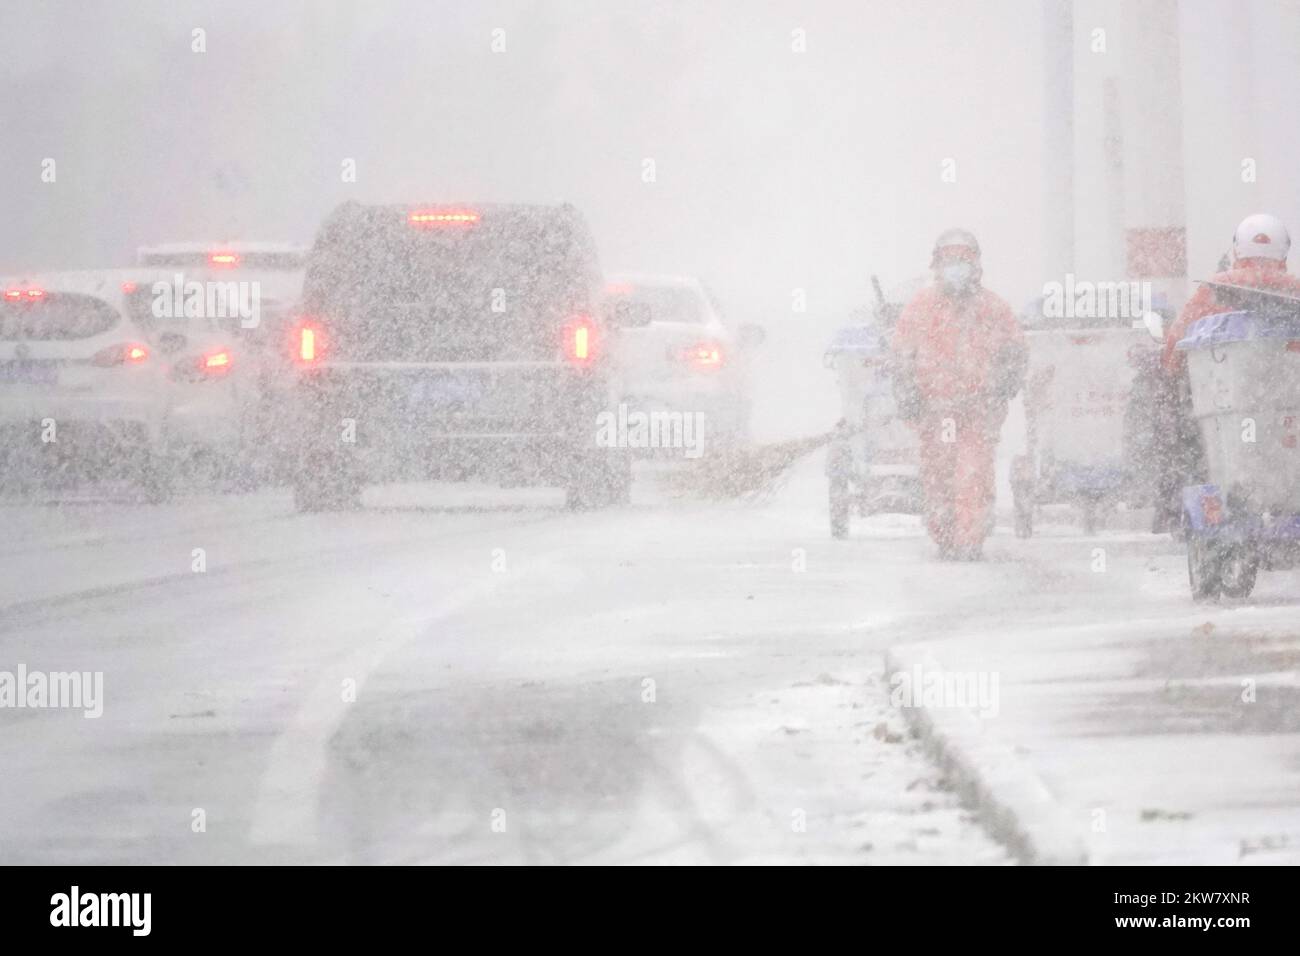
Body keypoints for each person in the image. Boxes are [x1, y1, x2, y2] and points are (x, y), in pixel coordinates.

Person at [1149, 214, 1300, 531]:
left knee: (1187, 433)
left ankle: (1171, 507)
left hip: (1227, 409)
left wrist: (1171, 370)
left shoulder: (1217, 290)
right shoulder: (1295, 291)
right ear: (1284, 252)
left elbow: (1176, 345)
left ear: (1237, 250)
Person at [891, 229, 1026, 560]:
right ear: (937, 265)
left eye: (963, 261)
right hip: (935, 413)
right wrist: (907, 391)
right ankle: (944, 532)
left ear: (976, 265)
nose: (957, 268)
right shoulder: (921, 308)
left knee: (973, 474)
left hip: (978, 412)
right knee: (938, 474)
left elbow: (1016, 351)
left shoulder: (993, 308)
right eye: (950, 261)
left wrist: (1006, 381)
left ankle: (969, 538)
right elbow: (901, 355)